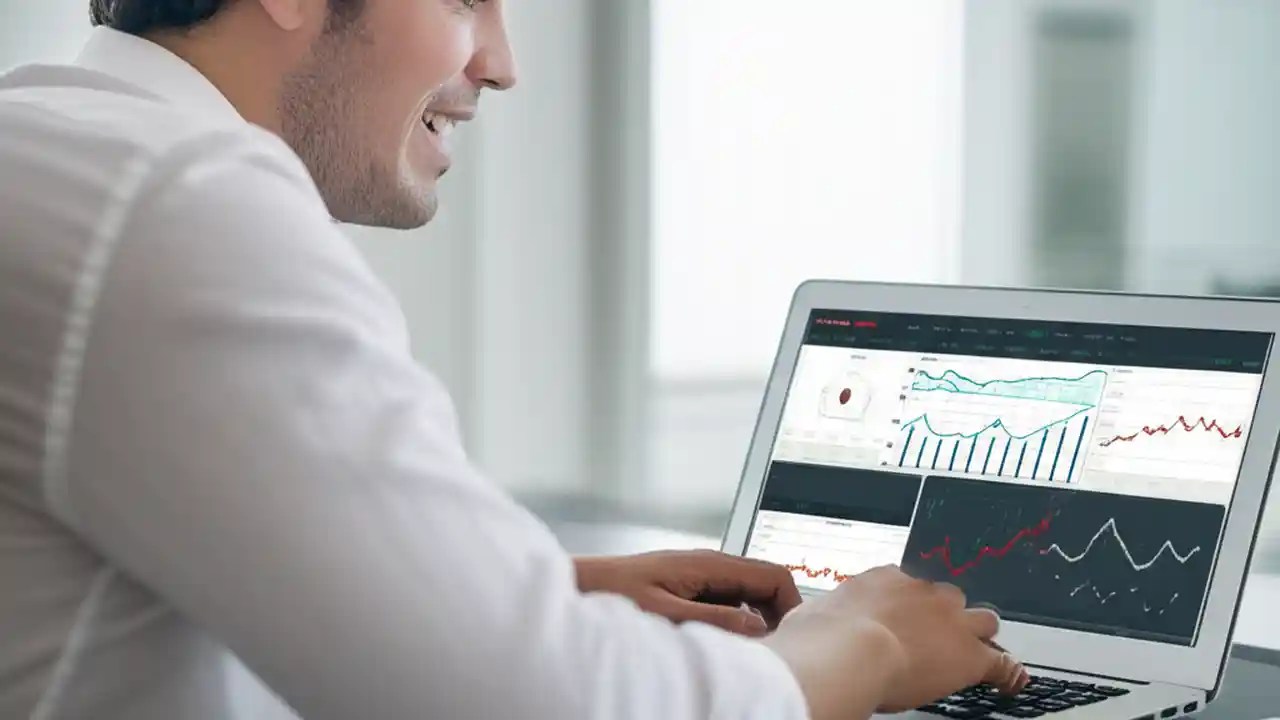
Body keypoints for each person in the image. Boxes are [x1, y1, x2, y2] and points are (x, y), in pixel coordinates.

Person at [0, 1, 1028, 718]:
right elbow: (549, 708)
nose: (500, 61)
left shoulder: (55, 150)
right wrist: (863, 643)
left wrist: (507, 594)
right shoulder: (182, 205)